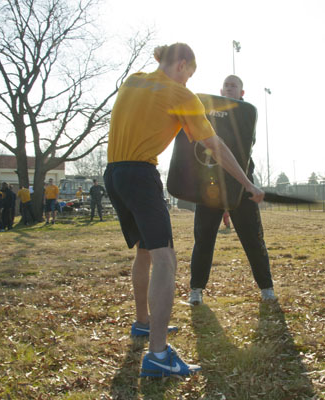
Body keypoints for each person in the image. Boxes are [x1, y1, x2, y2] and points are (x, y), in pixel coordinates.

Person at [104, 43, 264, 378]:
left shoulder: (133, 81)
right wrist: (248, 185)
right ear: (181, 65)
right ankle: (159, 356)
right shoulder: (181, 95)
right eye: (188, 75)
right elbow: (216, 147)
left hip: (114, 174)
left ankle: (143, 324)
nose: (189, 83)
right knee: (167, 259)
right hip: (140, 174)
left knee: (145, 251)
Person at [189, 75, 276, 305]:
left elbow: (243, 144)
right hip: (210, 185)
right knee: (204, 238)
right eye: (226, 85)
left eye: (233, 85)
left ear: (241, 93)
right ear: (220, 90)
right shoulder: (207, 116)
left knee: (253, 238)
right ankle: (196, 290)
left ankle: (267, 288)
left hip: (241, 183)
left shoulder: (247, 116)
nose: (229, 88)